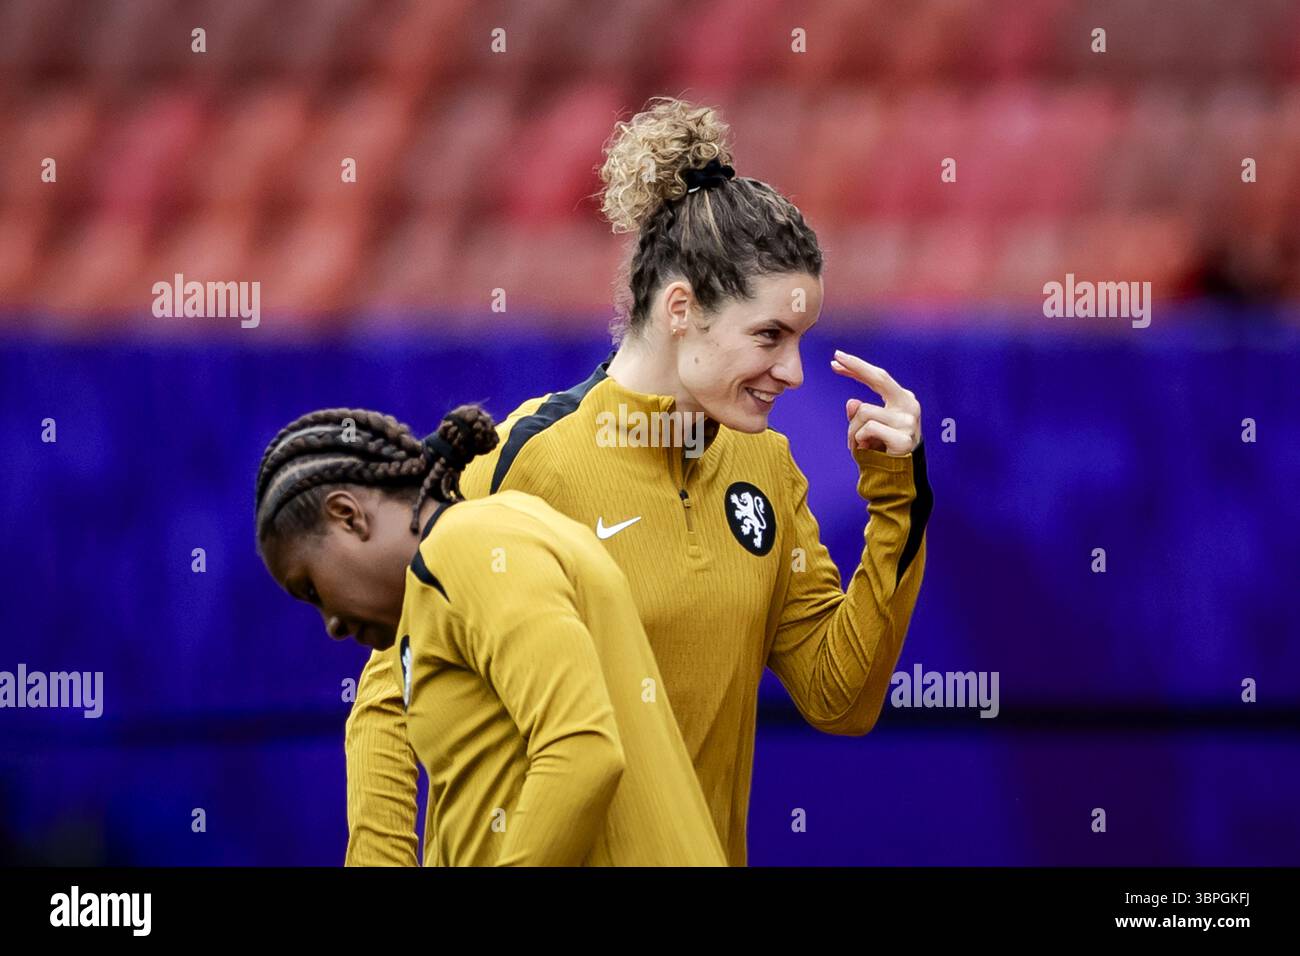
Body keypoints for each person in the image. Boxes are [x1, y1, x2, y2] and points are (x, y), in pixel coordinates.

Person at [345, 96, 935, 867]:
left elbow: (841, 696)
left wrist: (898, 498)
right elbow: (391, 694)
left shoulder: (765, 468)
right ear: (682, 308)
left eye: (801, 340)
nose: (792, 372)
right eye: (769, 336)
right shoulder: (524, 457)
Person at [254, 403, 726, 866]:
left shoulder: (469, 548)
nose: (331, 626)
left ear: (347, 516)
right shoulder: (447, 575)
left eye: (311, 589)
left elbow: (583, 750)